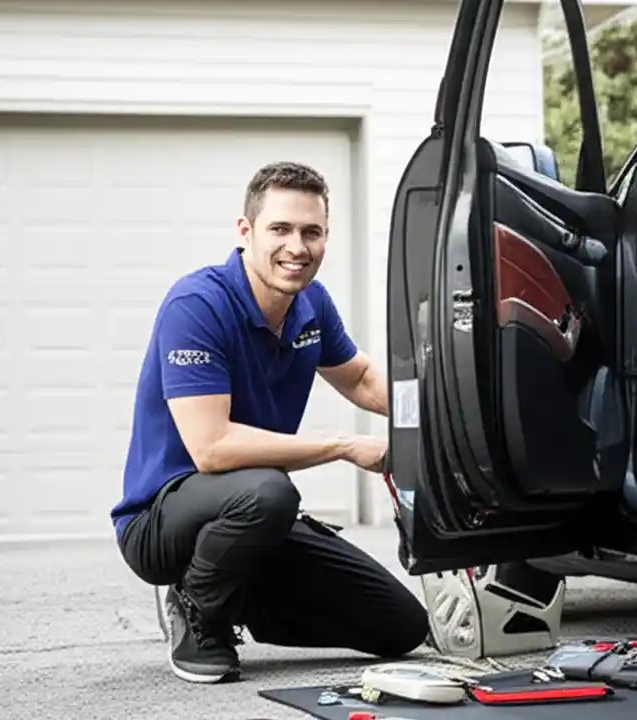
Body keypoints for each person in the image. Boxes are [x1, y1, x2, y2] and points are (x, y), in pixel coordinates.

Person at [110, 161, 428, 684]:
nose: (297, 247)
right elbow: (211, 449)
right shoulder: (198, 305)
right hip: (162, 520)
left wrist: (442, 412)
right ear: (245, 230)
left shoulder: (311, 304)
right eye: (280, 229)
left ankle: (236, 592)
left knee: (400, 627)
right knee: (270, 492)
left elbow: (362, 378)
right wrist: (344, 445)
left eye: (312, 232)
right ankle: (198, 608)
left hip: (249, 518)